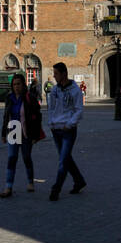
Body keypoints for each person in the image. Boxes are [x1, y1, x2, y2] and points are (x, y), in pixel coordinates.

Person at [0, 73, 43, 197]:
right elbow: (6, 116)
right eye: (14, 84)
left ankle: (30, 182)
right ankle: (8, 187)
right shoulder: (9, 97)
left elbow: (37, 116)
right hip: (13, 129)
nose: (16, 87)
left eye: (18, 84)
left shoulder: (30, 97)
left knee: (26, 157)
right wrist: (3, 133)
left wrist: (35, 135)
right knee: (12, 158)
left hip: (26, 131)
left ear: (23, 84)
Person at [47, 61, 85, 200]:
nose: (54, 76)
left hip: (68, 129)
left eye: (56, 74)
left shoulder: (75, 90)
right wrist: (51, 122)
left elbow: (78, 110)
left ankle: (56, 188)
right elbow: (51, 107)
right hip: (56, 128)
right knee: (66, 158)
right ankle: (79, 181)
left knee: (63, 160)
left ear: (64, 74)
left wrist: (69, 124)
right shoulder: (55, 90)